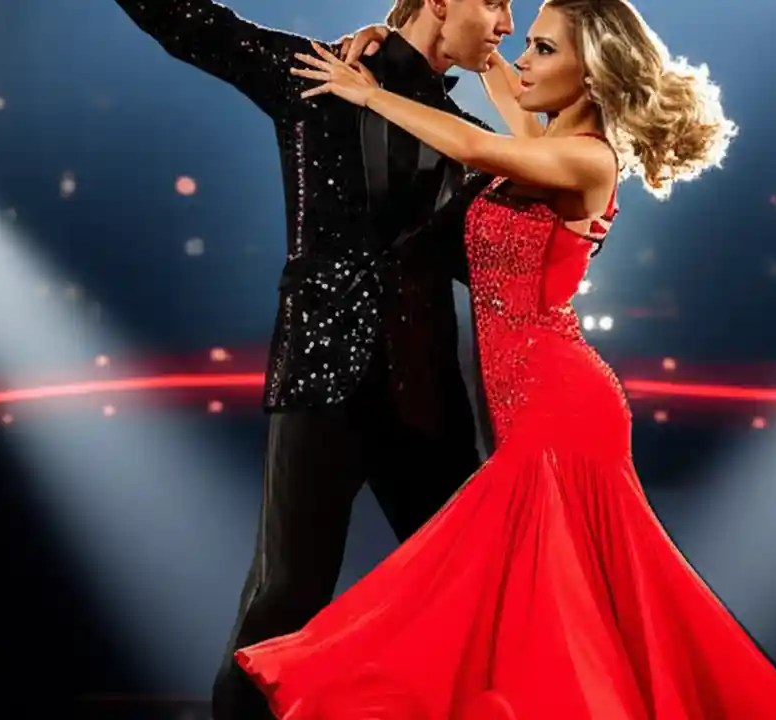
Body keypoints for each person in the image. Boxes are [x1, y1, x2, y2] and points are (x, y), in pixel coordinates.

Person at [235, 0, 776, 717]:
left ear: (590, 67)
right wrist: (388, 38)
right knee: (535, 603)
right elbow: (496, 93)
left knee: (514, 596)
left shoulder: (584, 158)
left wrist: (371, 94)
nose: (521, 59)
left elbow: (477, 152)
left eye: (543, 49)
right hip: (524, 407)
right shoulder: (546, 144)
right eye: (527, 44)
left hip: (561, 412)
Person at [106, 1, 513, 718]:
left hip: (427, 392)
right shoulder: (319, 74)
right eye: (498, 1)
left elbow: (538, 236)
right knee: (286, 595)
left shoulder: (470, 141)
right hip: (321, 373)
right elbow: (191, 23)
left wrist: (520, 120)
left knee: (474, 589)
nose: (508, 23)